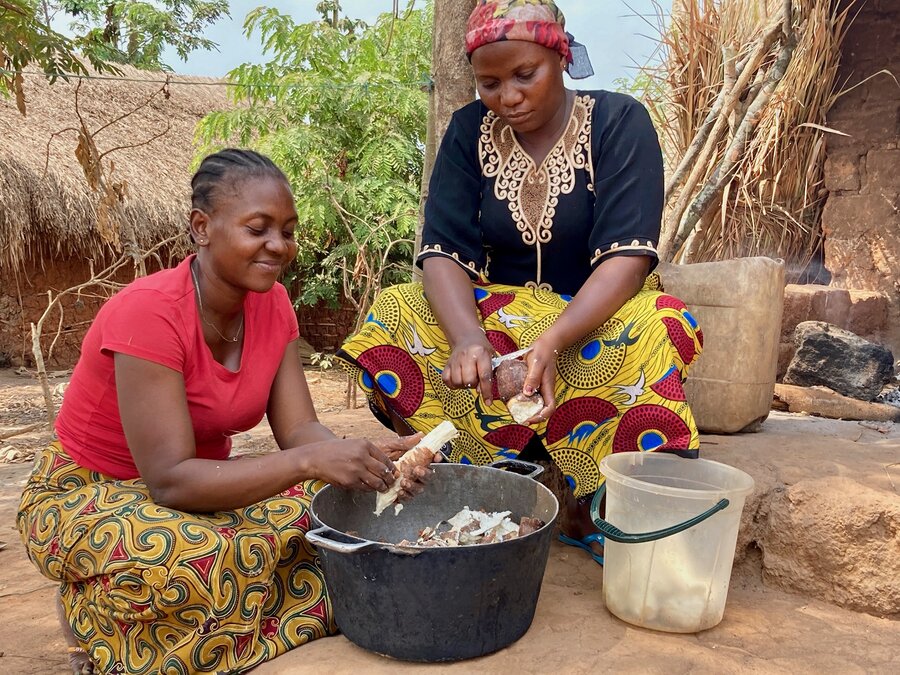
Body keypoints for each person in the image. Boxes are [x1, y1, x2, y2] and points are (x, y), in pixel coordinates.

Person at [17, 149, 432, 675]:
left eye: (287, 230)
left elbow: (300, 429)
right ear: (201, 227)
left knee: (332, 516)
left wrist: (364, 461)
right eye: (258, 228)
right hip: (90, 492)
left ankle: (214, 616)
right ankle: (92, 614)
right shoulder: (149, 313)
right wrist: (312, 463)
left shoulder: (274, 303)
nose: (278, 246)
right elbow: (168, 481)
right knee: (192, 557)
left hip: (206, 485)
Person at [336, 0, 703, 565]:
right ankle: (486, 481)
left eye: (524, 75)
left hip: (599, 314)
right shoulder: (467, 132)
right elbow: (441, 252)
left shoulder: (619, 121)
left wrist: (553, 341)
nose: (507, 96)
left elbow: (628, 259)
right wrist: (466, 338)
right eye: (489, 83)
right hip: (500, 316)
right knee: (397, 311)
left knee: (663, 324)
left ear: (560, 56)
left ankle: (603, 506)